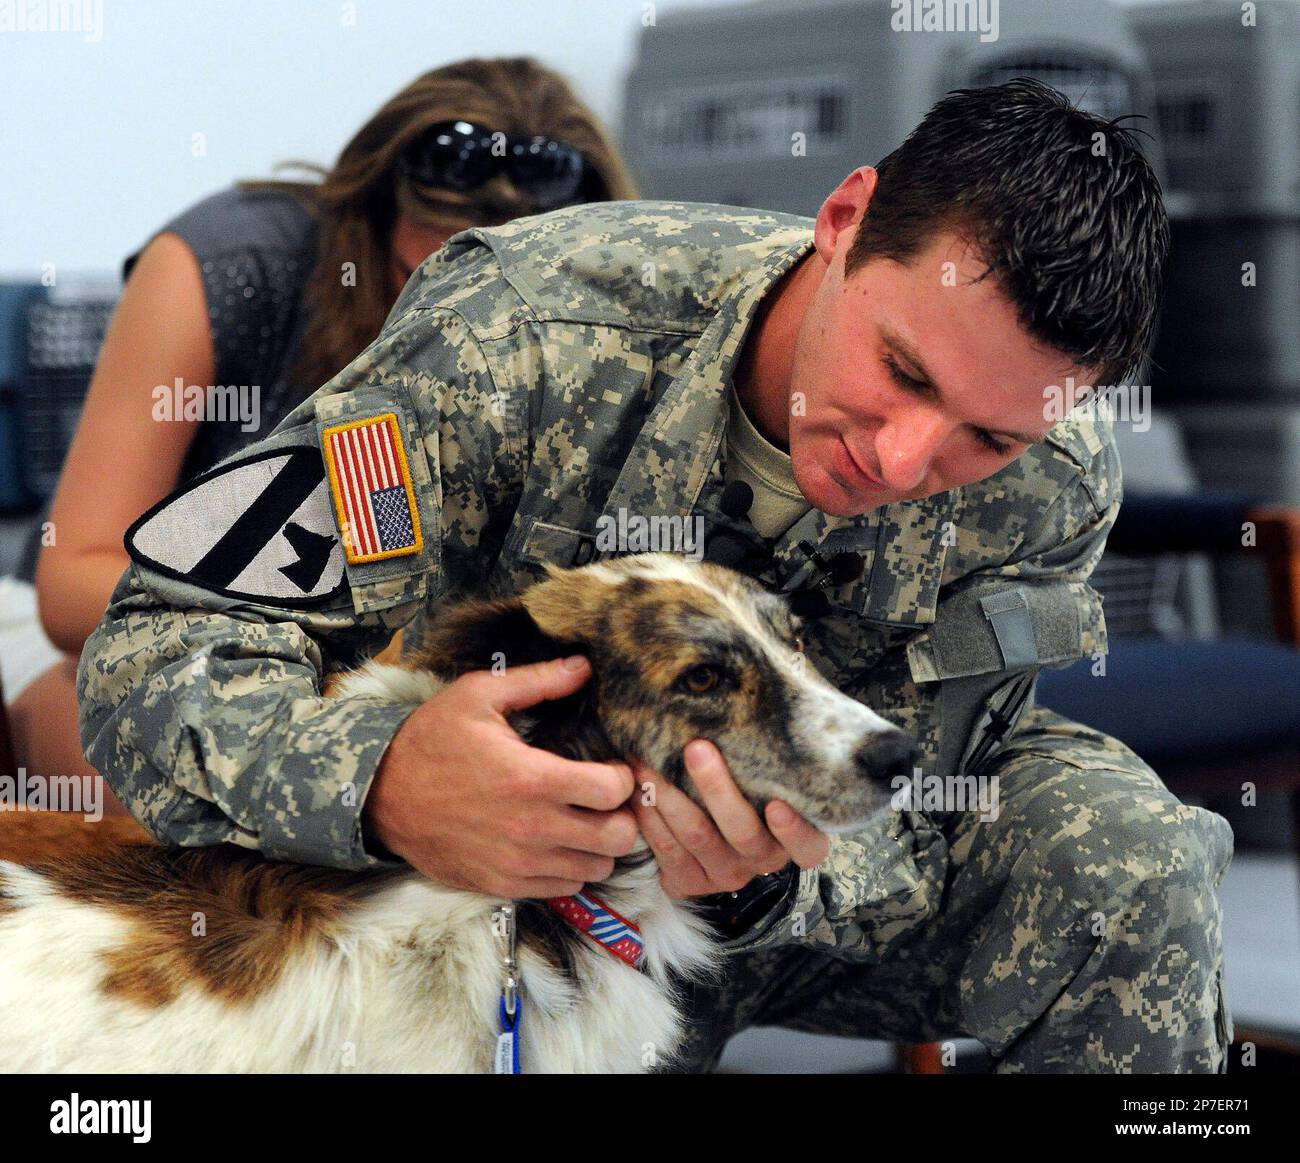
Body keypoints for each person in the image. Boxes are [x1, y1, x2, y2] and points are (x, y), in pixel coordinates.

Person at [80, 79, 1234, 1073]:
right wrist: (381, 780)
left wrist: (774, 879)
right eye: (897, 370)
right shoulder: (518, 333)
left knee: (1127, 853)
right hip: (503, 896)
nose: (903, 458)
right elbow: (159, 649)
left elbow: (940, 778)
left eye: (986, 437)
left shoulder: (1056, 477)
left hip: (798, 909)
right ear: (843, 219)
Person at [9, 57, 637, 813]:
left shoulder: (602, 345)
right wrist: (340, 647)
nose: (469, 338)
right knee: (169, 786)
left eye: (513, 318)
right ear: (369, 217)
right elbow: (73, 578)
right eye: (432, 280)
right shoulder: (228, 266)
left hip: (417, 695)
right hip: (154, 652)